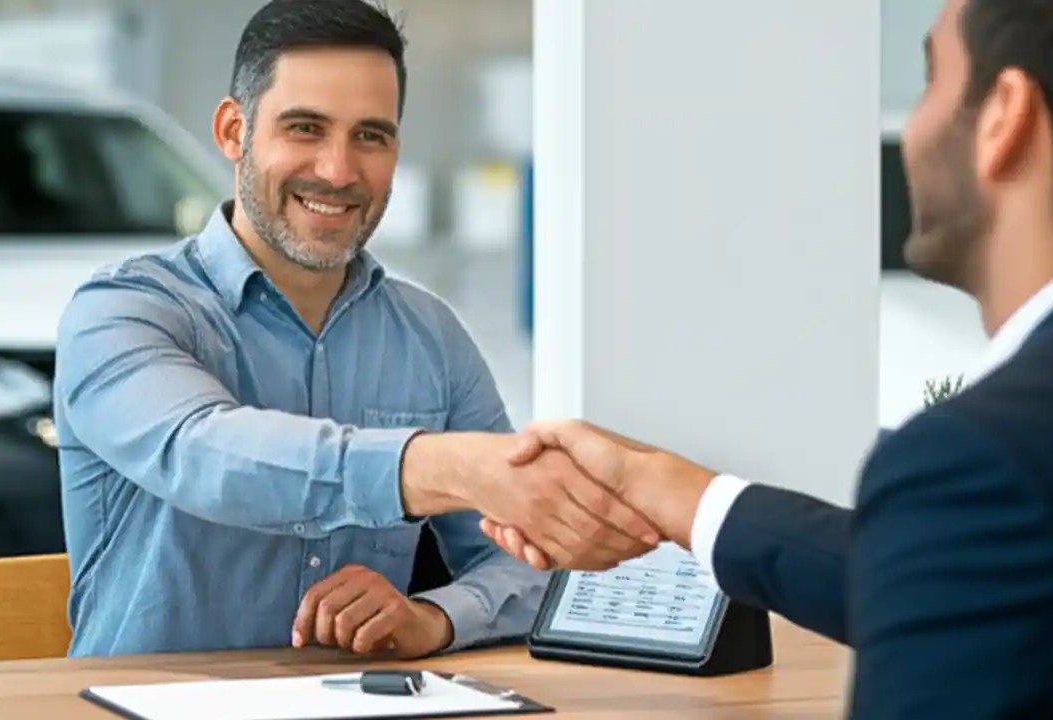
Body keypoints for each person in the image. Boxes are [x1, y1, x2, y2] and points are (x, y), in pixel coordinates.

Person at [484, 0, 1053, 716]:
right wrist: (667, 488)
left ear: (1006, 117)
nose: (912, 130)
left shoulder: (987, 461)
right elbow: (969, 579)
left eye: (932, 81)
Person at [54, 0, 657, 660]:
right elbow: (204, 454)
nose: (339, 171)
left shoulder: (430, 336)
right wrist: (436, 464)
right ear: (234, 131)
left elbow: (528, 558)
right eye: (306, 128)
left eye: (371, 136)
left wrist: (436, 615)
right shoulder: (120, 312)